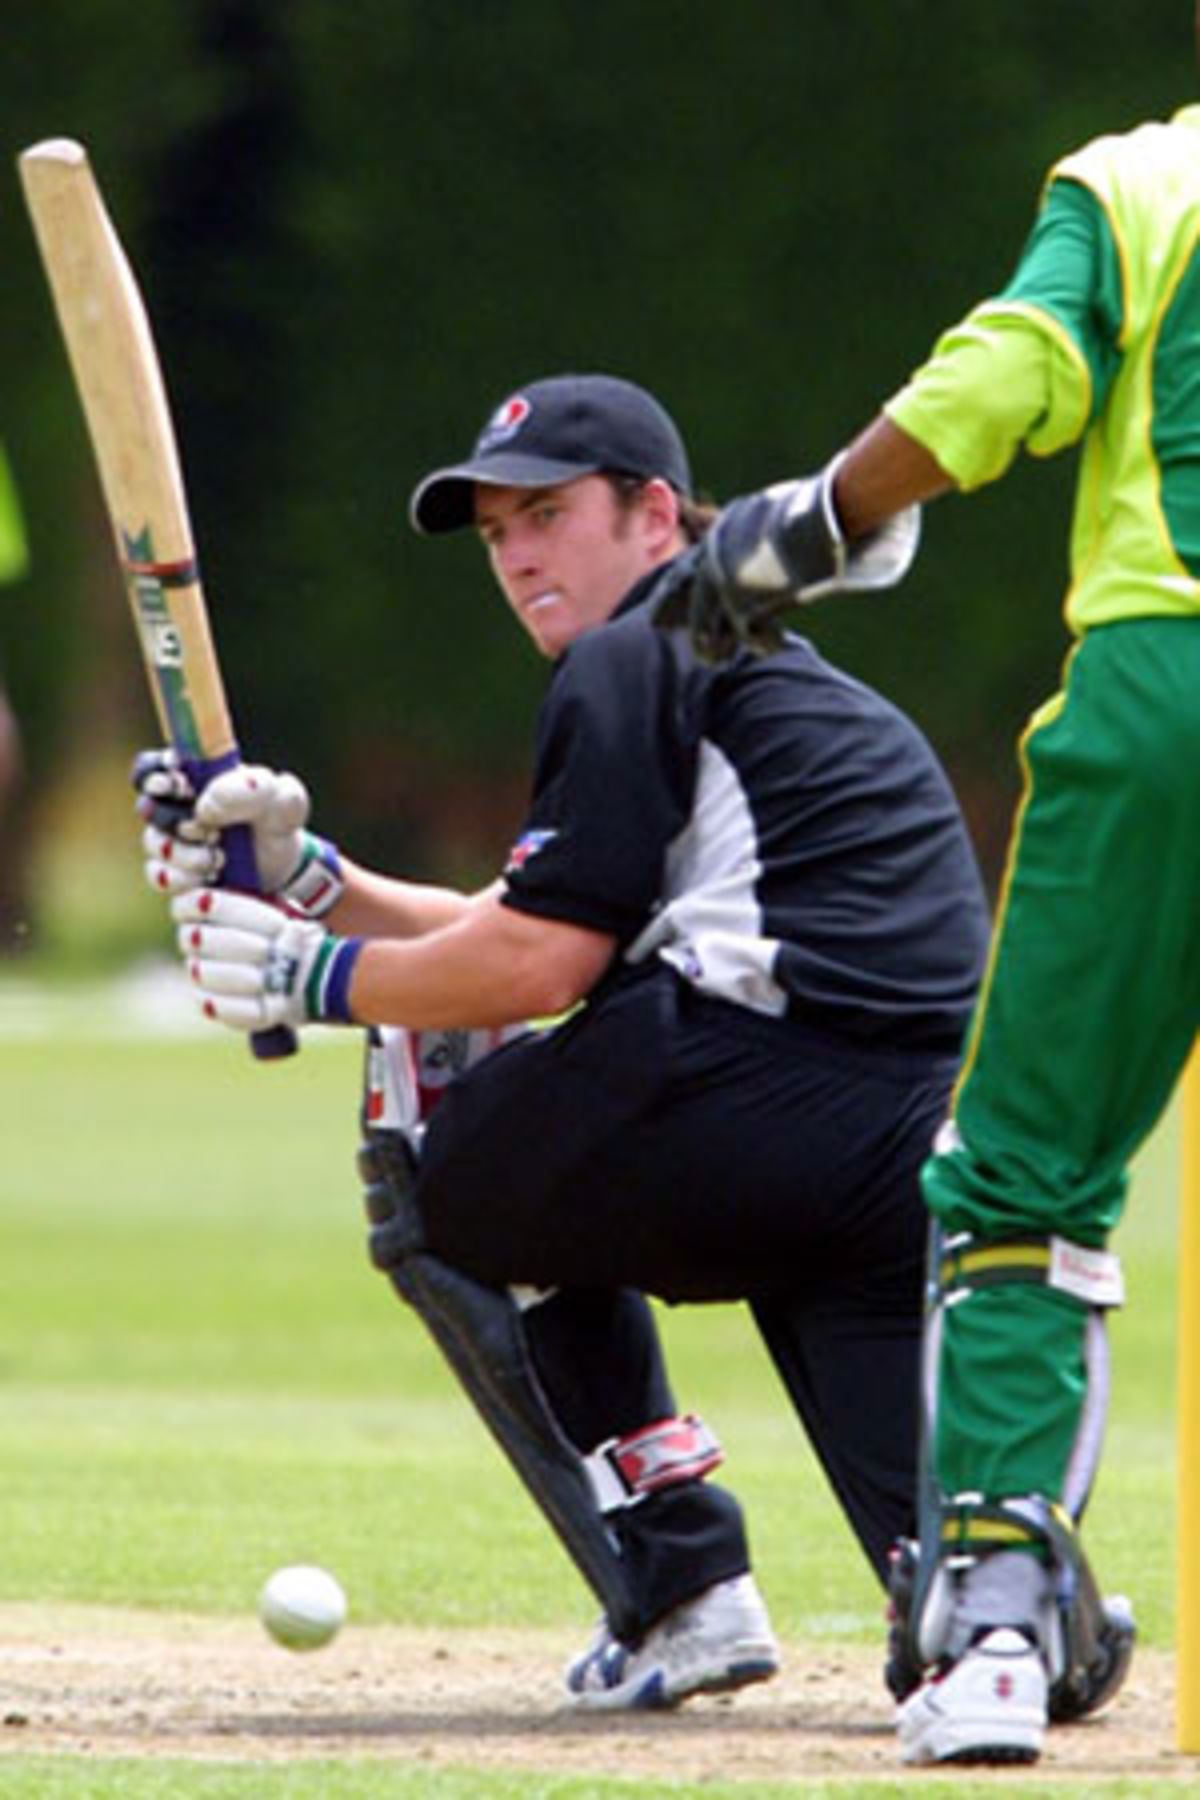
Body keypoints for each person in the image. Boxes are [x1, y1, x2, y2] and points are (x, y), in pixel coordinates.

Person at [135, 372, 990, 1711]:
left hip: (747, 1088)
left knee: (442, 1136)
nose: (519, 553)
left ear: (654, 513)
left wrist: (318, 977)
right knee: (950, 1595)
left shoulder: (626, 658)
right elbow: (515, 918)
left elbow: (531, 971)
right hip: (892, 1145)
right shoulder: (733, 659)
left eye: (546, 514)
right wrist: (309, 879)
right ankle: (1007, 1621)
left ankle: (679, 1581)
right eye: (495, 533)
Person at [649, 21, 1200, 1769]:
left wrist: (802, 526)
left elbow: (1011, 374)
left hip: (1170, 701)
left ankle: (993, 1632)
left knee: (1025, 1175)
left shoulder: (1143, 181)